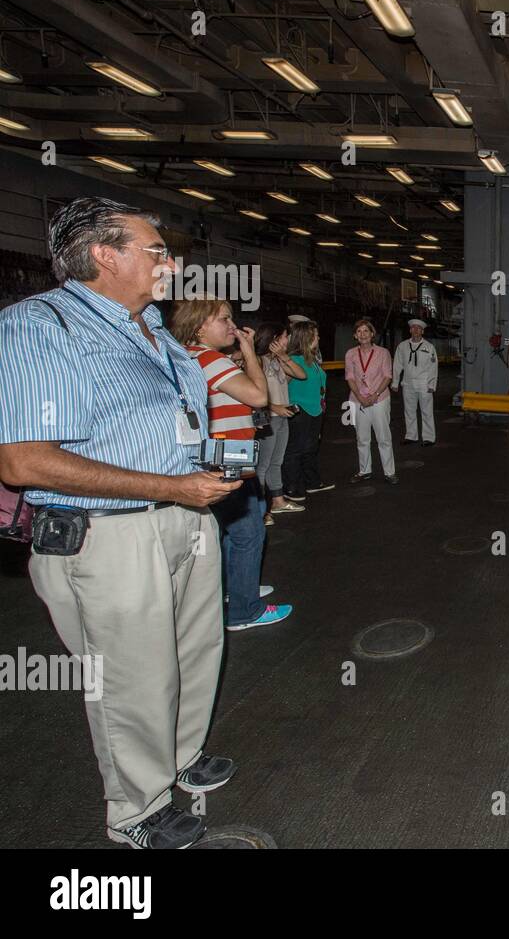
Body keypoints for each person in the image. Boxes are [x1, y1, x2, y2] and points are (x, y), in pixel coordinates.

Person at [0, 196, 242, 848]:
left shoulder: (158, 332)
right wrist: (171, 485)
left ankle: (179, 756)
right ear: (103, 254)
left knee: (195, 650)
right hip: (110, 534)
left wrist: (206, 473)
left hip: (187, 517)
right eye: (155, 251)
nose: (171, 262)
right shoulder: (41, 327)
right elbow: (25, 460)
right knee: (134, 674)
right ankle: (138, 808)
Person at [170, 299, 293, 633]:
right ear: (199, 326)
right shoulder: (210, 358)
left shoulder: (186, 355)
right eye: (223, 319)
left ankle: (236, 589)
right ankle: (244, 609)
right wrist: (250, 350)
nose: (232, 326)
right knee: (248, 531)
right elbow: (257, 396)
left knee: (228, 530)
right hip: (231, 459)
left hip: (215, 455)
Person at [253, 322, 307, 524]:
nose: (289, 340)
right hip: (268, 419)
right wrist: (273, 407)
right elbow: (250, 390)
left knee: (277, 461)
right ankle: (258, 510)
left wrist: (283, 357)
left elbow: (302, 374)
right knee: (262, 465)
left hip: (283, 418)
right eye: (286, 336)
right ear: (274, 339)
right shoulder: (258, 361)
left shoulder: (278, 361)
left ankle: (277, 501)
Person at [282, 318, 334, 501]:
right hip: (300, 410)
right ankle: (291, 487)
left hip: (316, 410)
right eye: (316, 335)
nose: (318, 338)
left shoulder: (311, 360)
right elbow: (280, 385)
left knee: (311, 448)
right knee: (295, 449)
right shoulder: (292, 360)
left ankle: (312, 482)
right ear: (307, 337)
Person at [345, 318, 397, 485]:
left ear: (372, 333)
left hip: (379, 399)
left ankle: (389, 472)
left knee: (383, 437)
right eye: (359, 331)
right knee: (362, 438)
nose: (363, 334)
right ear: (355, 335)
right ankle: (364, 470)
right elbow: (350, 377)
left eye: (366, 331)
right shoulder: (351, 354)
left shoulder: (383, 353)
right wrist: (360, 397)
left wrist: (375, 394)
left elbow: (388, 376)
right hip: (358, 400)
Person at [392, 318, 438, 445]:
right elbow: (397, 365)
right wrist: (395, 382)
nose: (416, 330)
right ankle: (411, 436)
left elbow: (433, 368)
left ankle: (429, 438)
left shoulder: (429, 347)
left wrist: (431, 384)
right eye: (413, 328)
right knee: (409, 410)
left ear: (422, 331)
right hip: (407, 383)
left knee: (426, 411)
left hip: (424, 384)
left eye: (419, 328)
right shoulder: (402, 346)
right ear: (410, 330)